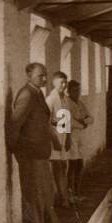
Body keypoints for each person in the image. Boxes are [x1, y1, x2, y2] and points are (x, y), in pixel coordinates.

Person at [6, 63, 65, 223]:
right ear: (29, 76)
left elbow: (41, 122)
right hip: (29, 153)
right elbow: (15, 123)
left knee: (45, 190)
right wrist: (15, 148)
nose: (45, 79)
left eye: (46, 75)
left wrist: (53, 139)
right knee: (32, 192)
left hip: (40, 151)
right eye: (41, 76)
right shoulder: (26, 94)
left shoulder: (37, 93)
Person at [47, 71, 73, 207]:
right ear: (54, 82)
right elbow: (46, 123)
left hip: (63, 136)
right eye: (61, 82)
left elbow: (67, 120)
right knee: (57, 167)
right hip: (54, 138)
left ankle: (63, 196)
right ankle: (63, 199)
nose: (64, 85)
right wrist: (55, 141)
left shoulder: (65, 99)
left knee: (63, 166)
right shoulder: (50, 99)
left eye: (65, 82)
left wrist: (68, 138)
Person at [65, 80, 93, 203]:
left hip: (80, 138)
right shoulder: (67, 103)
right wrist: (82, 123)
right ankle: (70, 194)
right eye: (74, 91)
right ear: (68, 91)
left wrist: (84, 121)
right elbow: (68, 122)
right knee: (72, 166)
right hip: (71, 138)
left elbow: (91, 118)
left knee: (80, 165)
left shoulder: (80, 103)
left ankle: (77, 192)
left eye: (78, 90)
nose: (77, 93)